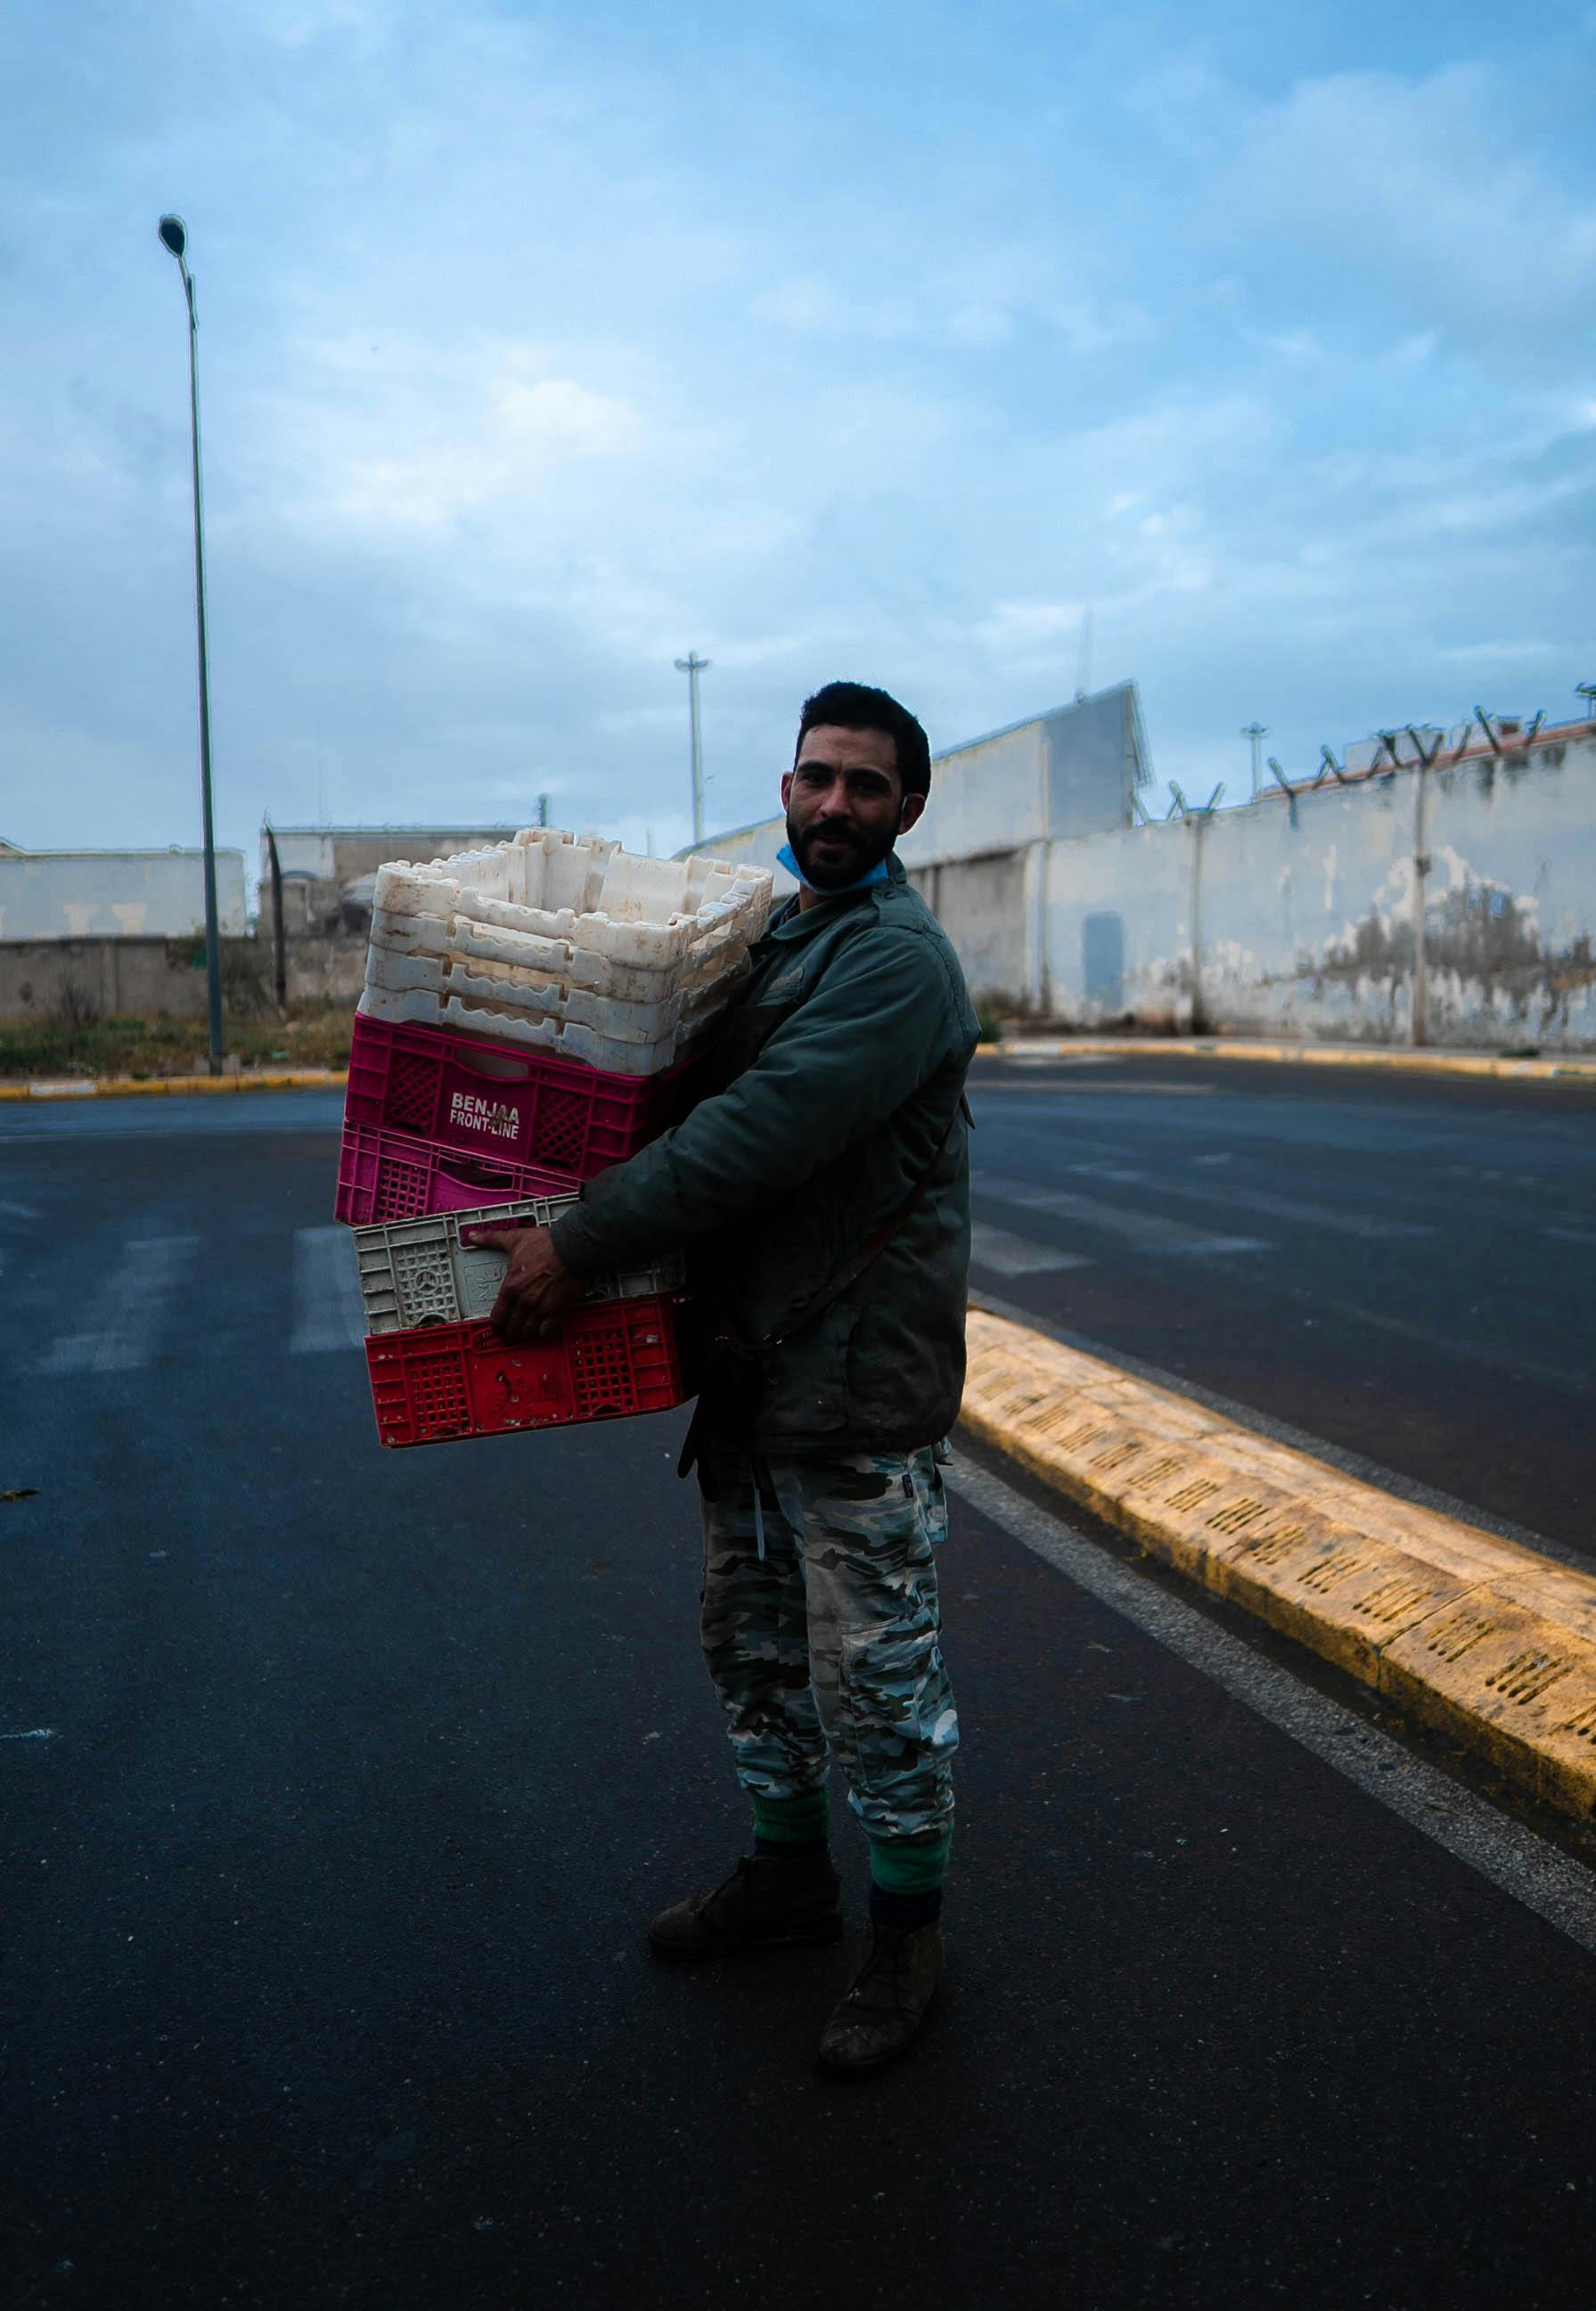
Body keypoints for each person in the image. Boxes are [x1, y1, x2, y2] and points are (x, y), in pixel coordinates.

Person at [471, 680, 979, 2075]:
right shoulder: (779, 939)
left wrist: (575, 1238)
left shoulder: (893, 965)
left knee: (877, 1675)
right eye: (816, 778)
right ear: (786, 783)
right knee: (753, 1647)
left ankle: (908, 1933)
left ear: (907, 809)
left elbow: (758, 1130)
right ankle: (785, 1879)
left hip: (858, 1384)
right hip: (752, 1371)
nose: (832, 805)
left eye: (864, 786)